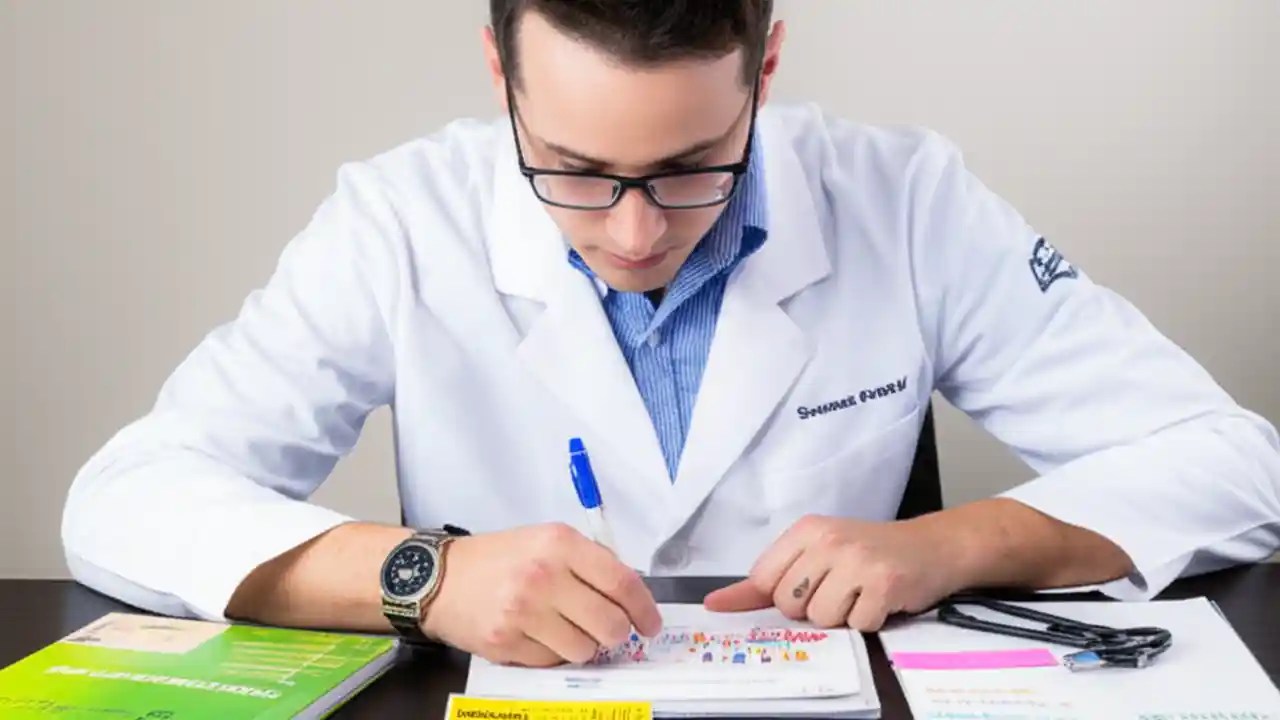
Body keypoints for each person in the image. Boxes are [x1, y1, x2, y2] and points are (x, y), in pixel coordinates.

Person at [62, 0, 1279, 669]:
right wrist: (423, 579)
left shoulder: (905, 201)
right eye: (574, 169)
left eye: (694, 165)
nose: (636, 232)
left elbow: (1234, 465)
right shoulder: (397, 219)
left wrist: (955, 544)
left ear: (765, 65)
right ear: (499, 73)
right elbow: (123, 499)